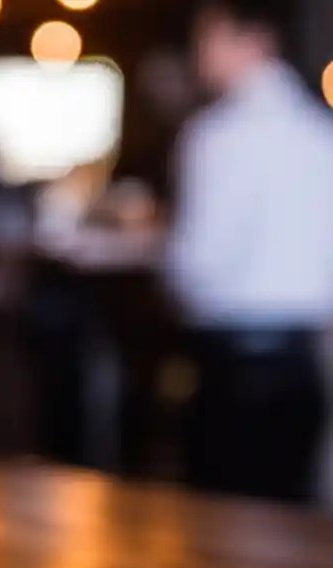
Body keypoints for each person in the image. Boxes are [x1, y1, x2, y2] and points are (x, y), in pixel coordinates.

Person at [167, 0, 333, 502]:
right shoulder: (320, 131)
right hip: (304, 364)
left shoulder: (217, 135)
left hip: (232, 367)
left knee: (216, 526)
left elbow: (196, 266)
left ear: (254, 39)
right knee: (288, 523)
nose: (198, 52)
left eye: (208, 37)